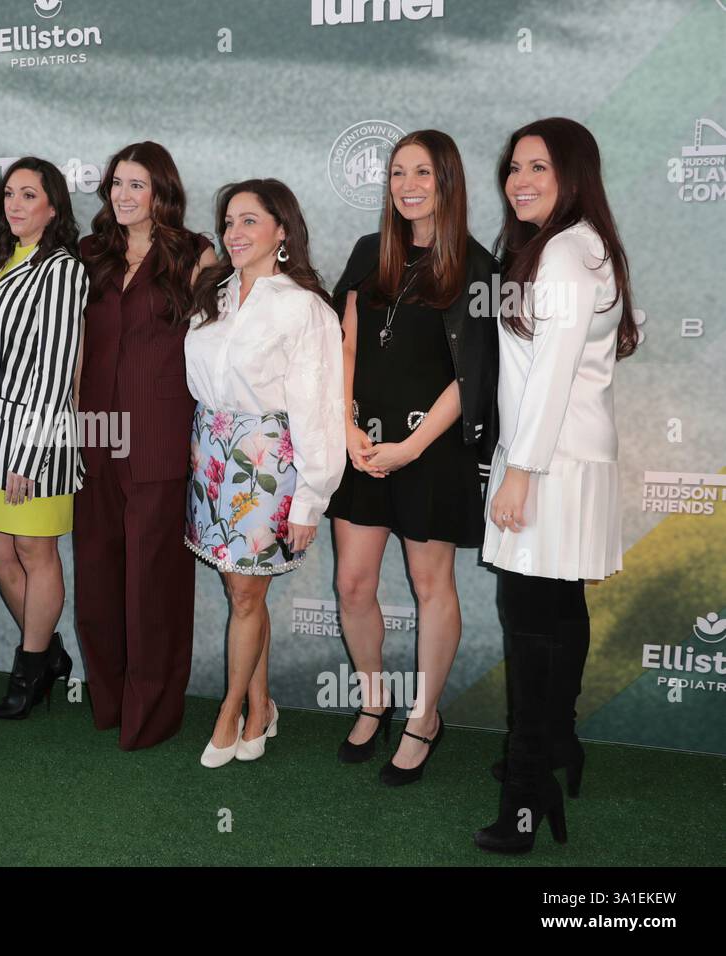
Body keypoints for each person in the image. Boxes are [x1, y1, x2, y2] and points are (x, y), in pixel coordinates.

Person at [476, 118, 636, 853]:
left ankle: (525, 793)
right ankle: (555, 747)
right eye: (513, 167)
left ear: (572, 174)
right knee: (556, 609)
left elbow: (553, 373)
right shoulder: (574, 247)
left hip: (549, 463)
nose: (519, 181)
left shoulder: (566, 256)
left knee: (530, 618)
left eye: (537, 167)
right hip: (567, 456)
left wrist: (519, 473)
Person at [327, 130, 499, 784]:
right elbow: (345, 344)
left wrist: (410, 447)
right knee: (353, 584)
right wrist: (347, 428)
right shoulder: (371, 251)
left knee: (432, 588)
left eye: (421, 172)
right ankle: (375, 700)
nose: (407, 185)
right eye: (398, 172)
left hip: (429, 452)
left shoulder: (477, 267)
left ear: (447, 181)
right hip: (362, 445)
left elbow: (471, 376)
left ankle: (425, 718)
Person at [184, 179, 346, 767]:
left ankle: (229, 712)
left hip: (268, 462)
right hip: (211, 457)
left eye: (250, 221)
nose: (234, 233)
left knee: (249, 593)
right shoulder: (215, 295)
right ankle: (262, 706)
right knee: (240, 590)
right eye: (229, 222)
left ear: (282, 230)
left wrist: (310, 498)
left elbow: (321, 406)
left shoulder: (302, 307)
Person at [74, 141, 217, 750]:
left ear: (161, 191)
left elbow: (215, 344)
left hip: (160, 433)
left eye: (138, 185)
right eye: (117, 184)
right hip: (93, 431)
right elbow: (69, 346)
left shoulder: (195, 253)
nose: (124, 196)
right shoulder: (88, 254)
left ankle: (152, 714)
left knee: (153, 581)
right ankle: (108, 702)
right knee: (98, 577)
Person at [0, 157, 90, 719]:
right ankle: (48, 654)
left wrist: (29, 453)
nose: (15, 205)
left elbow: (57, 365)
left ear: (53, 207)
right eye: (9, 194)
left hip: (37, 438)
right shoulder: (1, 262)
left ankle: (29, 673)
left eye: (29, 195)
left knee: (34, 552)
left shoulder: (62, 269)